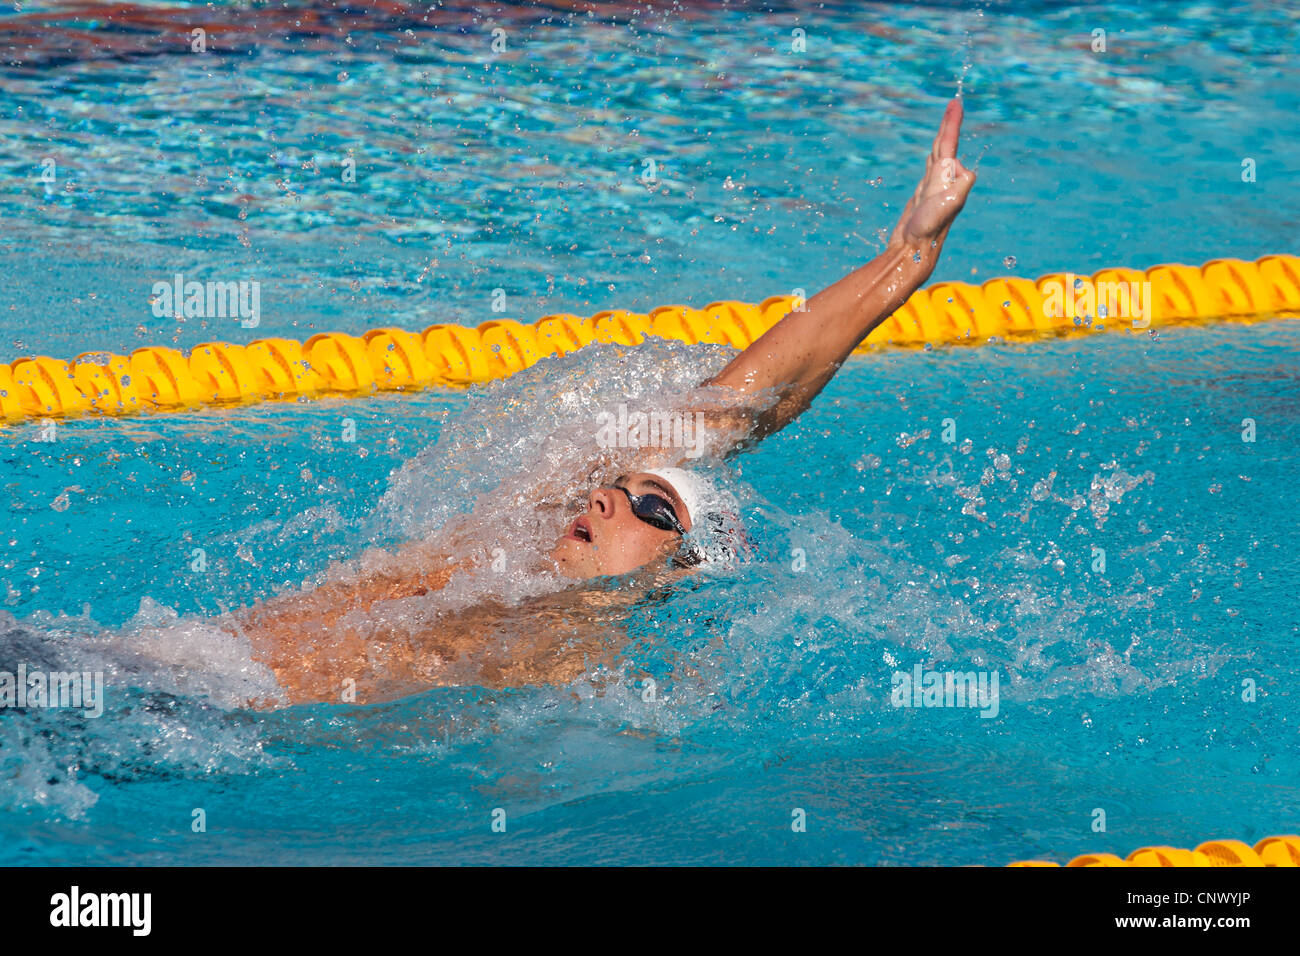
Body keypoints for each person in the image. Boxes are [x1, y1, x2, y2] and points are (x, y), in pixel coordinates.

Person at [235, 98, 976, 707]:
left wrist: (912, 260)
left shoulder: (585, 675)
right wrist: (903, 261)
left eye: (653, 505)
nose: (603, 499)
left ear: (686, 565)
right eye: (619, 484)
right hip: (182, 664)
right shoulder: (493, 553)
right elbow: (741, 407)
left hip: (204, 719)